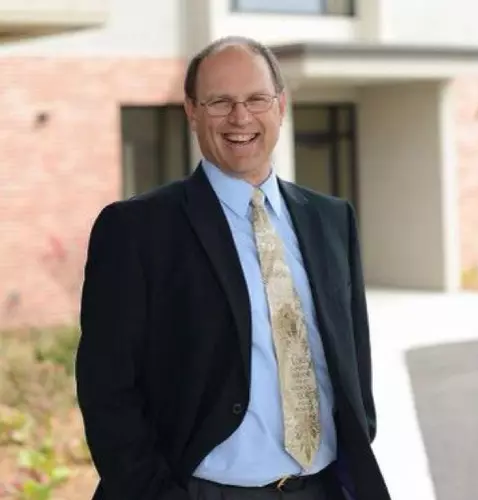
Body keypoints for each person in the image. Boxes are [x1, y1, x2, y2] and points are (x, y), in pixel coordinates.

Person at [75, 36, 392, 500]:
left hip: (322, 488)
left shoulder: (331, 219)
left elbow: (353, 353)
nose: (240, 118)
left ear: (281, 106)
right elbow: (106, 389)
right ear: (191, 111)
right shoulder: (137, 230)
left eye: (256, 99)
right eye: (220, 102)